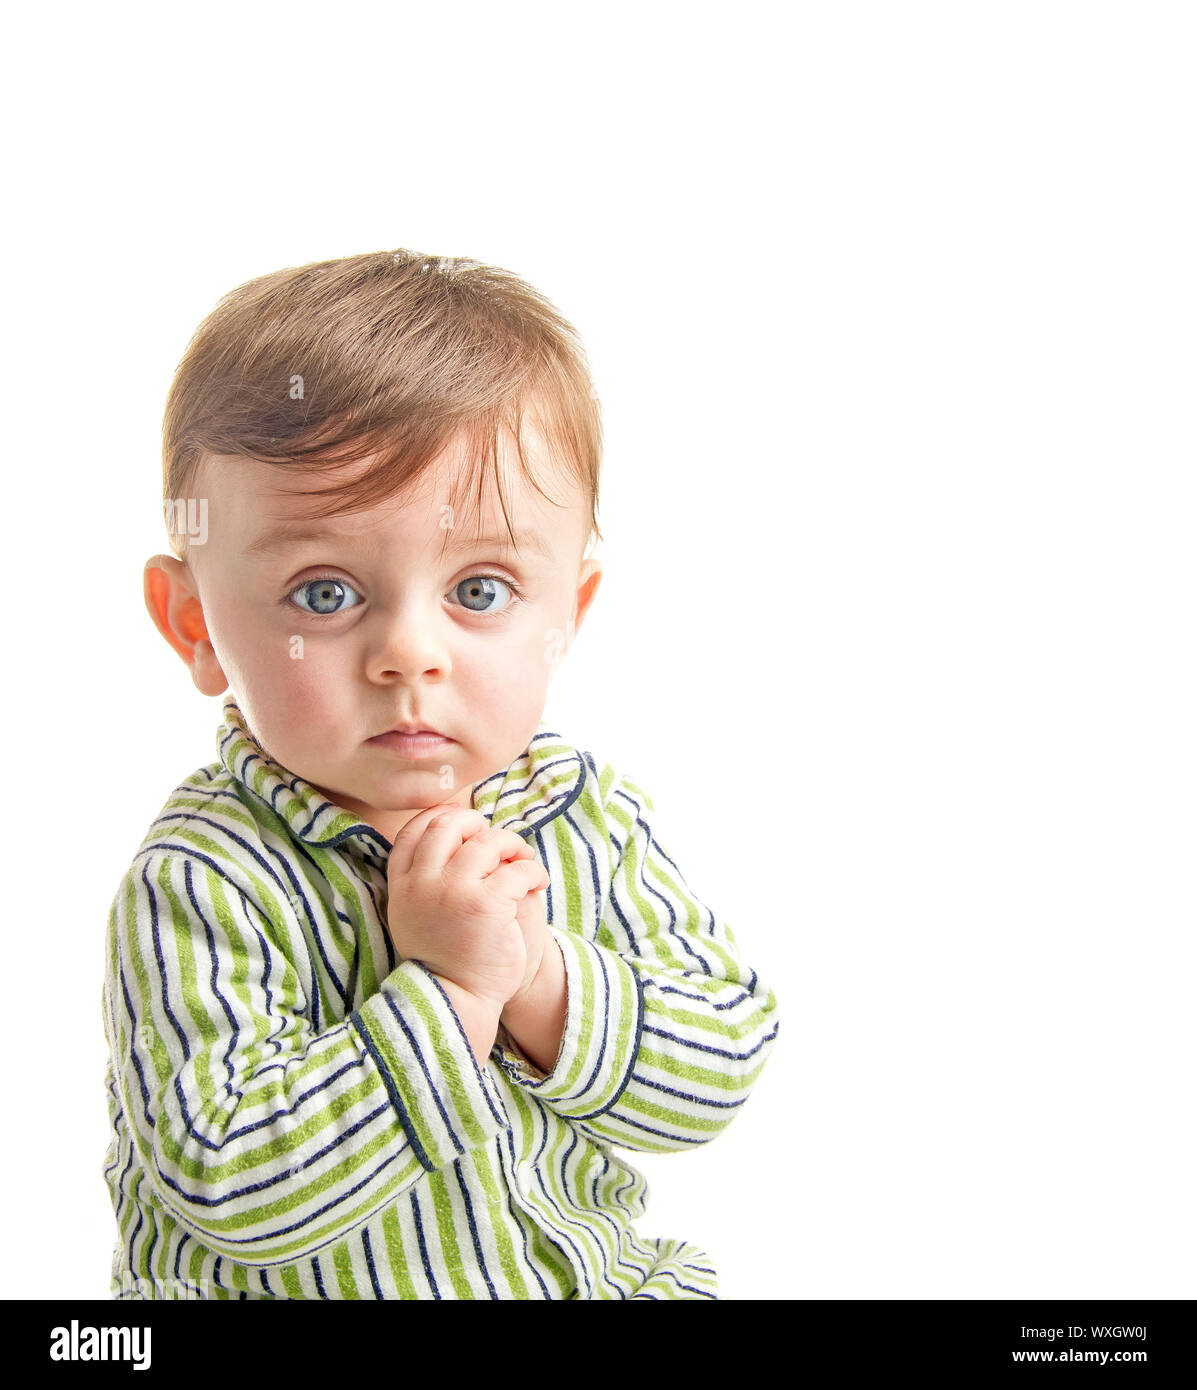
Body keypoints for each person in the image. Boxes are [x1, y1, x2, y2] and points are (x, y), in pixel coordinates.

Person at [102, 249, 780, 1300]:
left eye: (480, 587)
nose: (410, 653)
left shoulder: (582, 815)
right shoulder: (206, 875)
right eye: (324, 593)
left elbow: (720, 1062)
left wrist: (539, 976)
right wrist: (454, 992)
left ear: (568, 615)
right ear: (196, 623)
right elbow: (226, 1180)